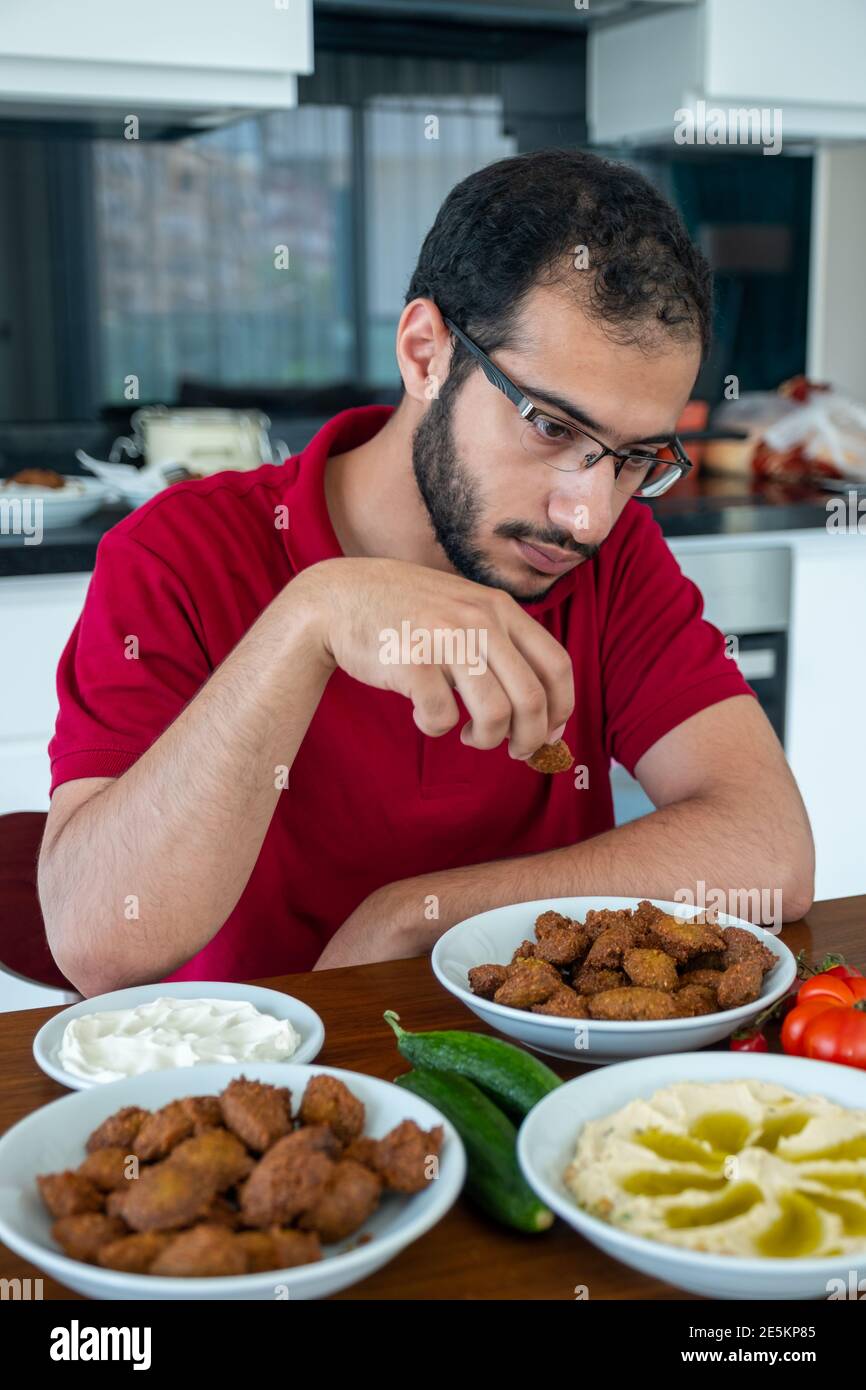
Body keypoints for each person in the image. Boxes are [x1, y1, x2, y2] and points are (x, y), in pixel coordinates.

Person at [39, 149, 814, 993]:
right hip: (263, 1087)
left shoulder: (612, 557)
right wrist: (311, 618)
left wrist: (420, 913)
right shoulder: (179, 552)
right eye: (551, 428)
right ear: (424, 354)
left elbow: (770, 850)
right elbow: (97, 941)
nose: (587, 513)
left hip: (527, 1090)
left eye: (633, 459)